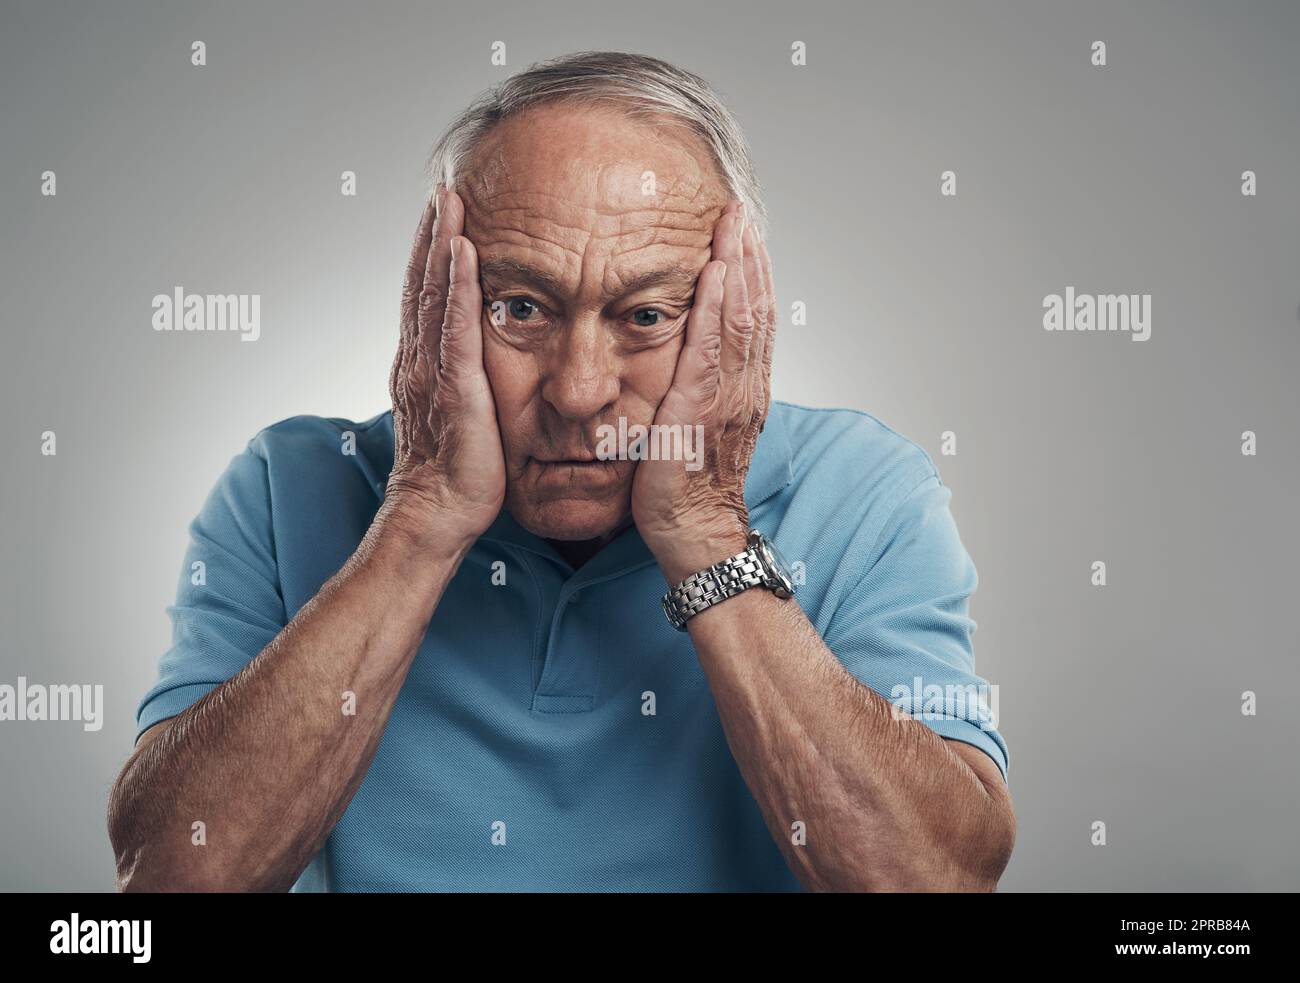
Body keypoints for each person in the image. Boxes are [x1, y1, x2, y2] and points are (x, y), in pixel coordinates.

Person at [108, 51, 1014, 892]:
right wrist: (421, 518)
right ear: (437, 300)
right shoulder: (287, 485)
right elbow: (166, 879)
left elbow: (934, 880)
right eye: (522, 307)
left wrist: (704, 533)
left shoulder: (865, 490)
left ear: (733, 311)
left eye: (648, 316)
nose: (581, 392)